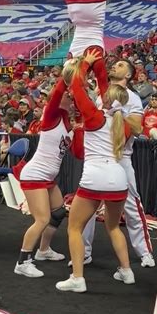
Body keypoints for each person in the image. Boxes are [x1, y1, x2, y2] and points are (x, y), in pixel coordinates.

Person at [56, 52, 135, 293]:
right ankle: (127, 271)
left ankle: (77, 277)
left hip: (95, 176)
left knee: (74, 228)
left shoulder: (94, 116)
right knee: (113, 227)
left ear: (106, 99)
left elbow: (77, 87)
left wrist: (86, 64)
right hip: (118, 178)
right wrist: (98, 68)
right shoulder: (126, 123)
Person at [81, 59, 155, 268]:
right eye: (115, 64)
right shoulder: (100, 96)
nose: (115, 65)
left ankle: (145, 252)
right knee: (87, 207)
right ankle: (84, 252)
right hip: (96, 157)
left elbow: (139, 128)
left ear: (129, 75)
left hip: (120, 157)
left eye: (122, 65)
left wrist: (119, 112)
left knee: (131, 206)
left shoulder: (132, 97)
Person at [13, 77, 82, 279]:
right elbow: (58, 93)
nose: (71, 97)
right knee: (42, 219)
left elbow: (78, 153)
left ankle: (43, 251)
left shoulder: (69, 120)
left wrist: (79, 129)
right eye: (68, 96)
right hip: (35, 174)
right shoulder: (52, 114)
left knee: (59, 213)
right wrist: (67, 77)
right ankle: (23, 262)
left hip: (47, 178)